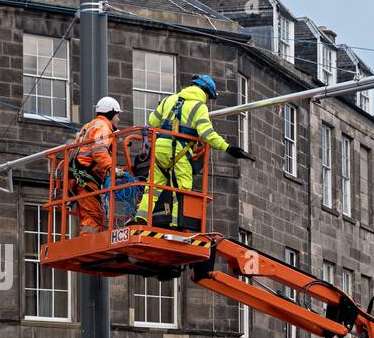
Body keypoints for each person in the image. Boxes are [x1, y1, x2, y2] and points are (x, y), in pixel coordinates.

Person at [134, 75, 250, 229]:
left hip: (160, 147)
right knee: (182, 189)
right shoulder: (199, 107)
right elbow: (207, 133)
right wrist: (227, 148)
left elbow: (153, 121)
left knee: (152, 187)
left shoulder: (169, 100)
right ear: (206, 93)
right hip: (178, 151)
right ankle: (177, 224)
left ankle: (141, 217)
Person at [70, 96, 121, 231]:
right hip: (86, 175)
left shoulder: (89, 125)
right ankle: (88, 244)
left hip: (78, 175)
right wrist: (111, 168)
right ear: (111, 113)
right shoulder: (103, 127)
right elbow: (98, 150)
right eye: (117, 115)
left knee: (88, 214)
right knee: (93, 218)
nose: (118, 119)